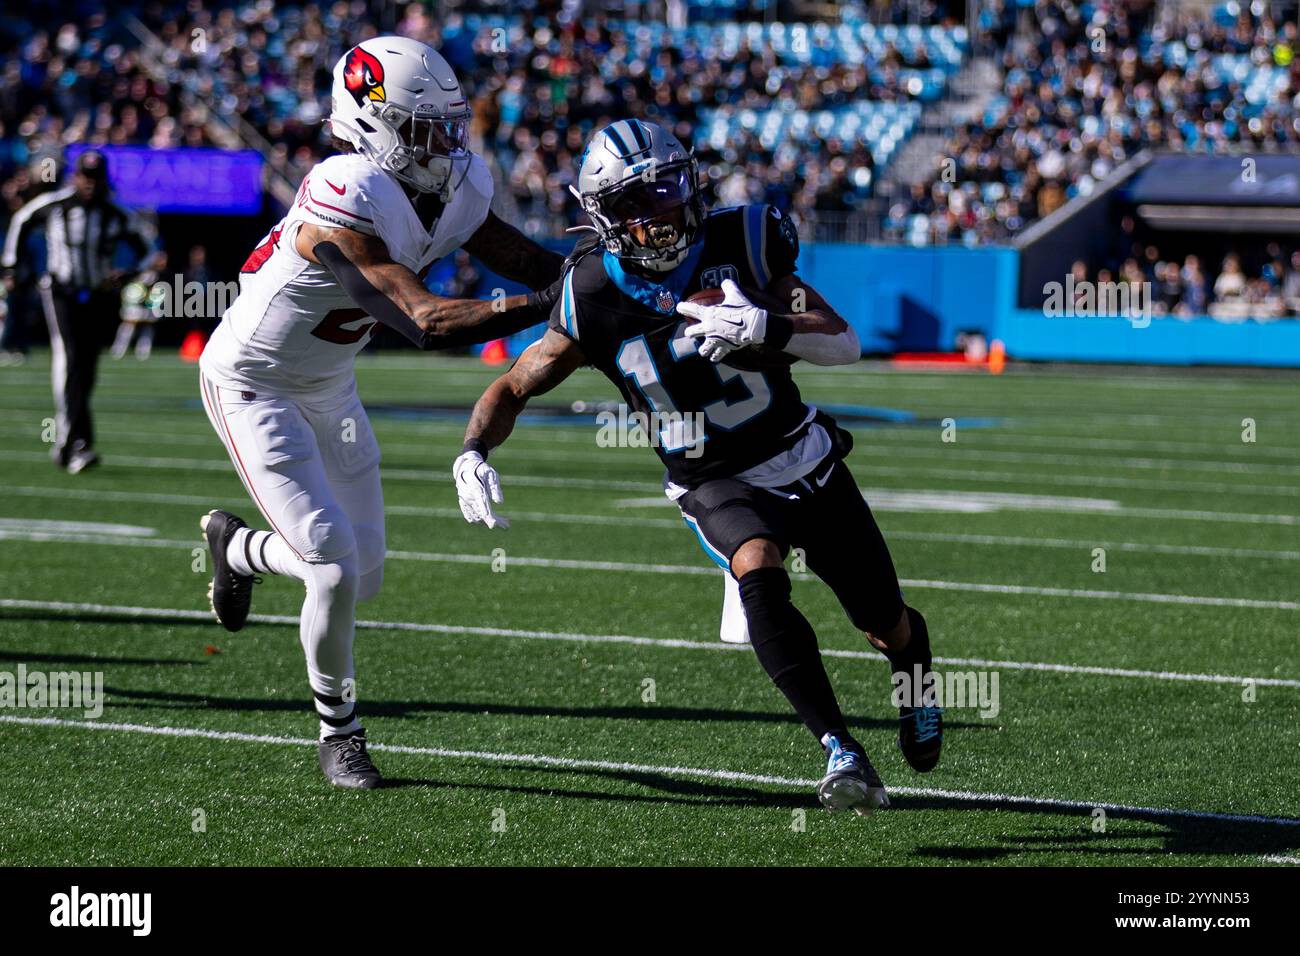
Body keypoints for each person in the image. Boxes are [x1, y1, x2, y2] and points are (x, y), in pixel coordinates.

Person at [454, 120, 943, 815]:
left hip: (802, 455)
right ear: (602, 216)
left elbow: (844, 342)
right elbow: (514, 384)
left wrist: (767, 327)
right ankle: (842, 750)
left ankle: (912, 666)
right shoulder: (589, 295)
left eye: (668, 186)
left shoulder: (743, 241)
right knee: (757, 566)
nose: (657, 209)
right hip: (710, 477)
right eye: (635, 200)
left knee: (883, 622)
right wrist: (474, 448)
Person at [197, 37, 566, 790]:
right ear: (372, 123)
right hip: (254, 383)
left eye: (449, 124)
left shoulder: (455, 184)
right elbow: (423, 321)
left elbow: (517, 253)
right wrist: (554, 308)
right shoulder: (345, 190)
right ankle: (341, 732)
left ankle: (237, 552)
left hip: (330, 385)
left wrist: (591, 280)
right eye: (425, 127)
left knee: (361, 577)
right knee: (330, 569)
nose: (447, 143)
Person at [1, 149, 150, 472]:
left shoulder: (115, 214)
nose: (89, 184)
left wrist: (129, 273)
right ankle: (75, 444)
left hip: (96, 295)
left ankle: (69, 442)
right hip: (60, 292)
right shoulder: (55, 206)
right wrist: (11, 267)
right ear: (75, 175)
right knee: (69, 360)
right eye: (85, 176)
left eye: (95, 178)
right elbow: (21, 220)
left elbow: (148, 250)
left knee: (87, 367)